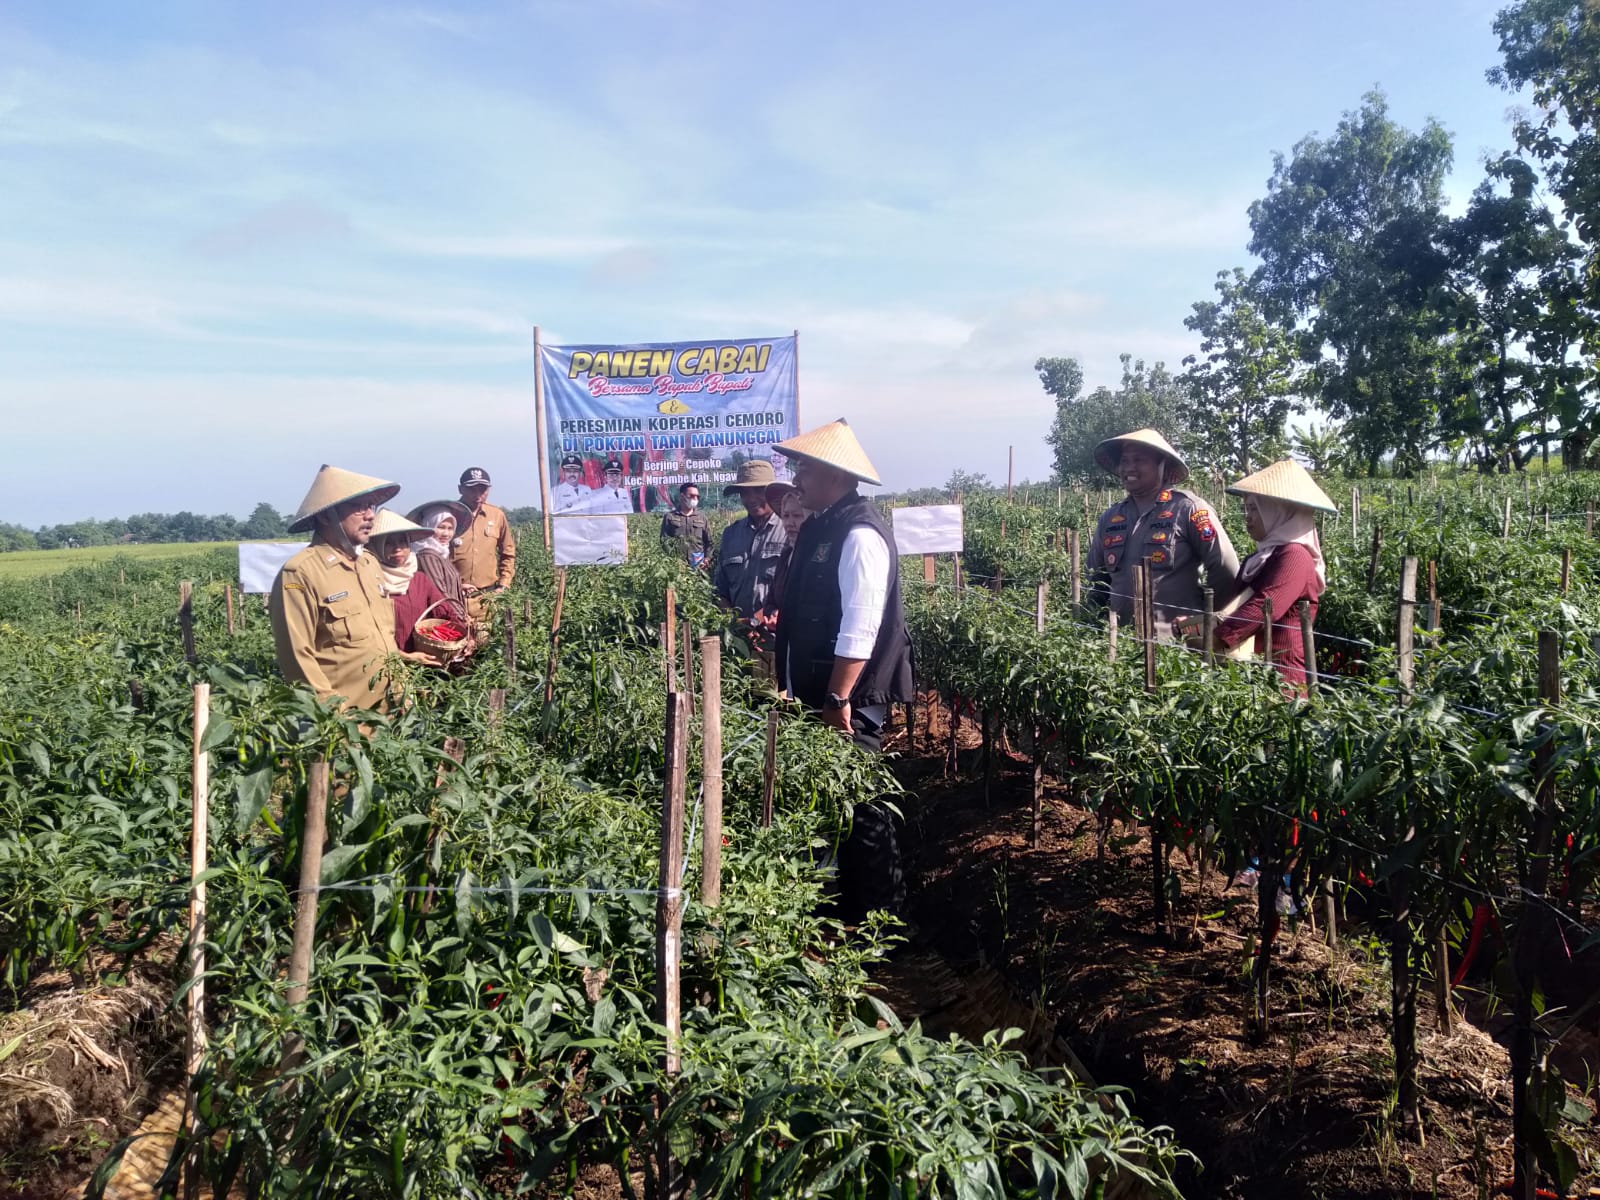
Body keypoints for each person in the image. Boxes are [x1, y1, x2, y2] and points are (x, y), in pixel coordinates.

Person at [773, 419, 914, 922]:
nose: (797, 479)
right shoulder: (824, 525)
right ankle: (842, 913)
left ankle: (879, 922)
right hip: (819, 694)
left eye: (804, 468)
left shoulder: (858, 532)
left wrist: (838, 699)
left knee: (863, 805)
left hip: (847, 703)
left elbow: (861, 623)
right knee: (834, 801)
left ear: (833, 474)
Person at [269, 465, 420, 712]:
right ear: (327, 516)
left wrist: (404, 683)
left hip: (391, 711)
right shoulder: (301, 572)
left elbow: (379, 636)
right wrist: (332, 716)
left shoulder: (369, 564)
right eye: (358, 507)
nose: (370, 515)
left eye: (371, 506)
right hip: (346, 722)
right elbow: (296, 658)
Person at [1176, 460, 1334, 690]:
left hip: (1280, 678)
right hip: (1249, 670)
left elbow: (1265, 607)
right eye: (1247, 508)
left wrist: (1213, 639)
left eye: (1255, 509)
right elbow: (1236, 606)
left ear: (1278, 512)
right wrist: (1197, 625)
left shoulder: (1295, 556)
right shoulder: (1261, 557)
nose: (1247, 516)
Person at [1085, 428, 1240, 639]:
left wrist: (1204, 614)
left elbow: (1226, 567)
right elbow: (1096, 578)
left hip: (1176, 646)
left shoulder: (1188, 508)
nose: (1129, 467)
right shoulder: (1111, 517)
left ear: (1163, 465)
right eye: (1125, 460)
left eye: (1139, 460)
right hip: (1120, 643)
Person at [369, 510, 465, 654]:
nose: (398, 548)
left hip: (424, 660)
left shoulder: (419, 579)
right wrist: (404, 657)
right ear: (376, 547)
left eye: (402, 541)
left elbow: (444, 610)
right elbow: (368, 635)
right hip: (389, 660)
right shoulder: (370, 581)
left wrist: (465, 634)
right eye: (388, 543)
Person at [714, 459, 788, 623]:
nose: (751, 498)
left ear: (772, 493)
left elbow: (797, 590)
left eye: (758, 490)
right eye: (744, 493)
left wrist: (759, 620)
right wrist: (735, 624)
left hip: (775, 634)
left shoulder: (789, 531)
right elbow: (719, 589)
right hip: (737, 637)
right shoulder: (731, 534)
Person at [749, 481, 809, 652]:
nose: (789, 523)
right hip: (787, 648)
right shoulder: (787, 554)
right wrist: (774, 613)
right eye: (786, 515)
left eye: (797, 516)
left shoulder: (820, 557)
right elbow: (772, 601)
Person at [452, 467, 516, 622]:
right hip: (454, 597)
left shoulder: (497, 515)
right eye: (472, 489)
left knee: (486, 641)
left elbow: (508, 552)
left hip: (487, 597)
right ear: (460, 489)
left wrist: (503, 585)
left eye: (483, 489)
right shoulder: (449, 514)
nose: (478, 495)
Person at [405, 499, 473, 624]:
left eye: (450, 528)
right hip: (441, 620)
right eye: (441, 527)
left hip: (449, 616)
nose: (446, 533)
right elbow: (440, 593)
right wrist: (462, 618)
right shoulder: (428, 555)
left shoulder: (441, 553)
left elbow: (440, 582)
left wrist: (459, 586)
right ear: (429, 526)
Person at [659, 481, 712, 568]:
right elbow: (664, 541)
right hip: (677, 567)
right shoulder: (670, 517)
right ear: (682, 496)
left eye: (697, 496)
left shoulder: (701, 518)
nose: (695, 499)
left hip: (698, 566)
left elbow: (709, 542)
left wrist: (707, 559)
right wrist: (673, 559)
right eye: (691, 496)